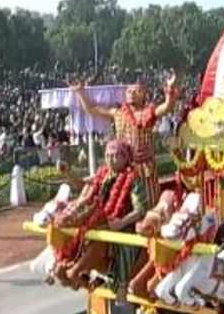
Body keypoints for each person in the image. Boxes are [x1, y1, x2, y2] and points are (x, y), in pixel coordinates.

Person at [49, 139, 148, 290]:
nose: (110, 159)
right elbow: (83, 184)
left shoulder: (133, 179)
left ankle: (119, 282)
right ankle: (76, 272)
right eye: (108, 155)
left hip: (120, 226)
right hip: (95, 221)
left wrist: (120, 223)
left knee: (102, 239)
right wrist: (68, 173)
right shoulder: (103, 174)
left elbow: (141, 210)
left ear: (125, 158)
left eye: (115, 156)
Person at [73, 72, 179, 205]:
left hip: (144, 167)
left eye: (137, 91)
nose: (132, 93)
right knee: (121, 202)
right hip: (122, 166)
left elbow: (167, 107)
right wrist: (80, 92)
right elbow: (92, 109)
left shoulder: (149, 113)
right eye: (129, 90)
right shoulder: (118, 113)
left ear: (144, 95)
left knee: (148, 203)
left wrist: (170, 88)